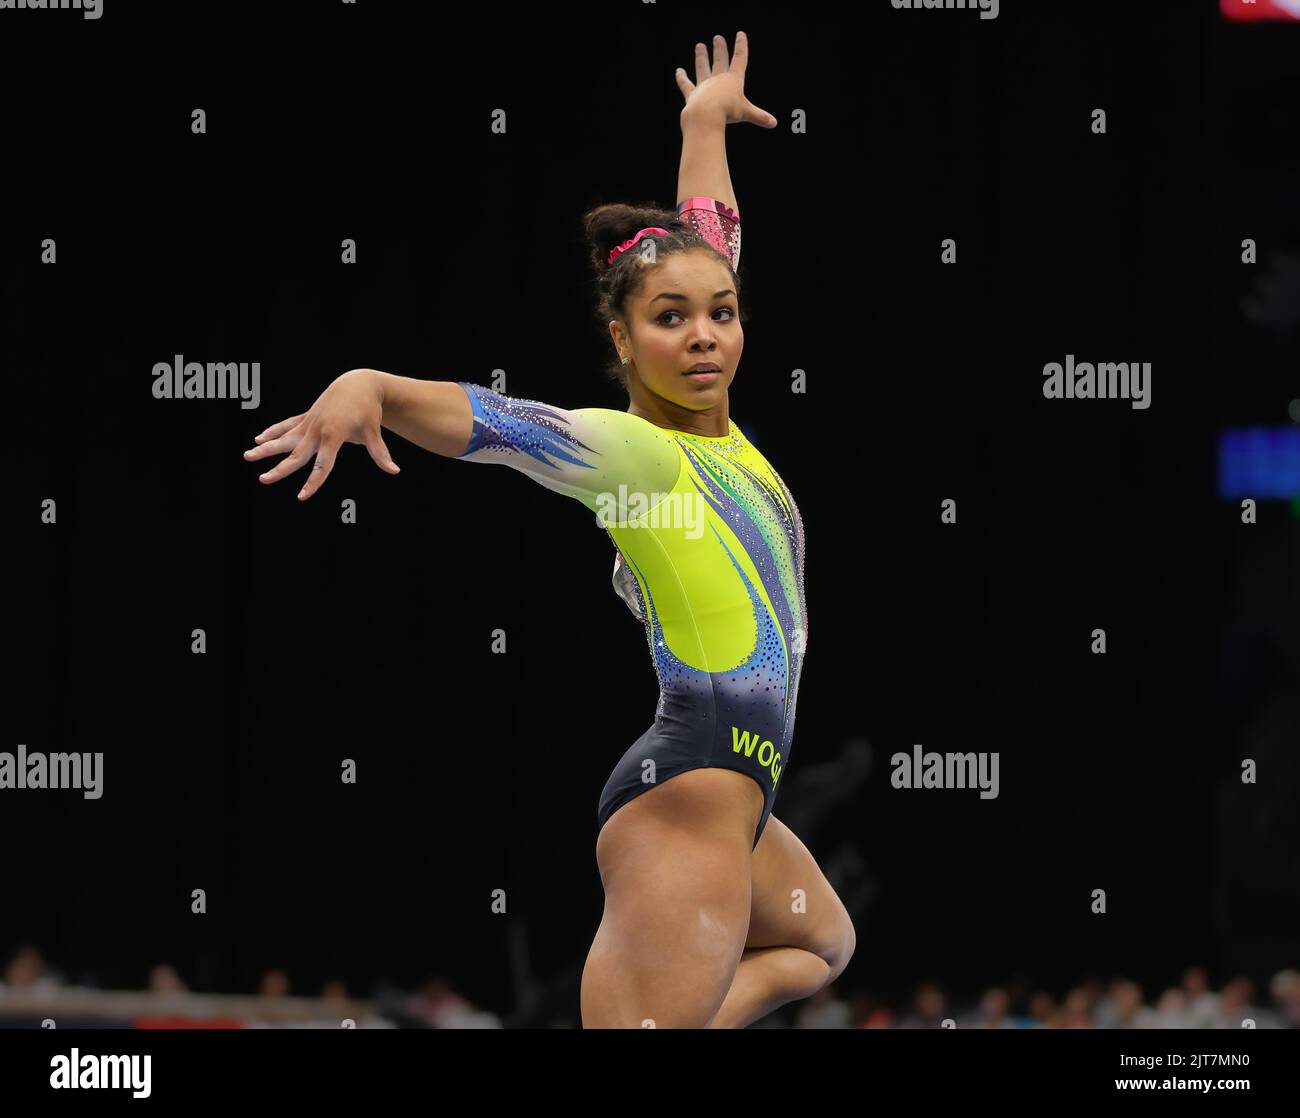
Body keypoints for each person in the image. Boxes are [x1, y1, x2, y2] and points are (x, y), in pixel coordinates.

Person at [242, 31, 854, 1028]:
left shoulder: (720, 431)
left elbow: (709, 236)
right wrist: (371, 386)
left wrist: (702, 124)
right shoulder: (632, 453)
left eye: (722, 312)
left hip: (734, 795)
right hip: (689, 798)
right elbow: (496, 423)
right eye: (670, 318)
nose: (703, 334)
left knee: (821, 939)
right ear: (622, 336)